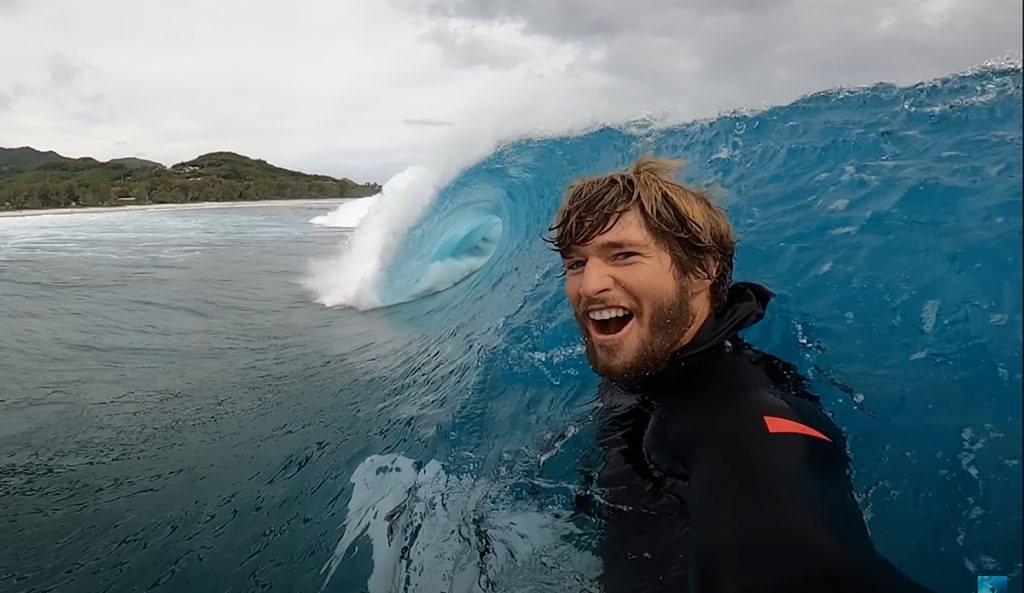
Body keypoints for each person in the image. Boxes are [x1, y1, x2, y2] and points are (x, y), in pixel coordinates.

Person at [547, 156, 937, 593]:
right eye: (575, 264)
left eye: (623, 255)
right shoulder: (647, 368)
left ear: (702, 268)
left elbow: (806, 564)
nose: (589, 285)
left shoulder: (738, 412)